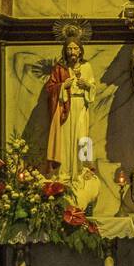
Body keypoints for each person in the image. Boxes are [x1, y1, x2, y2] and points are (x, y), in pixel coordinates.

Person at [46, 37, 95, 185]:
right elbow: (49, 88)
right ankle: (65, 173)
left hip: (81, 105)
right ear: (65, 51)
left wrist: (87, 85)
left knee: (82, 138)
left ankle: (82, 170)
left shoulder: (87, 67)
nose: (72, 51)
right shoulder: (60, 68)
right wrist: (62, 86)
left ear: (80, 50)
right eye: (69, 49)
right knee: (66, 140)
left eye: (75, 48)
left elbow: (93, 89)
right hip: (65, 107)